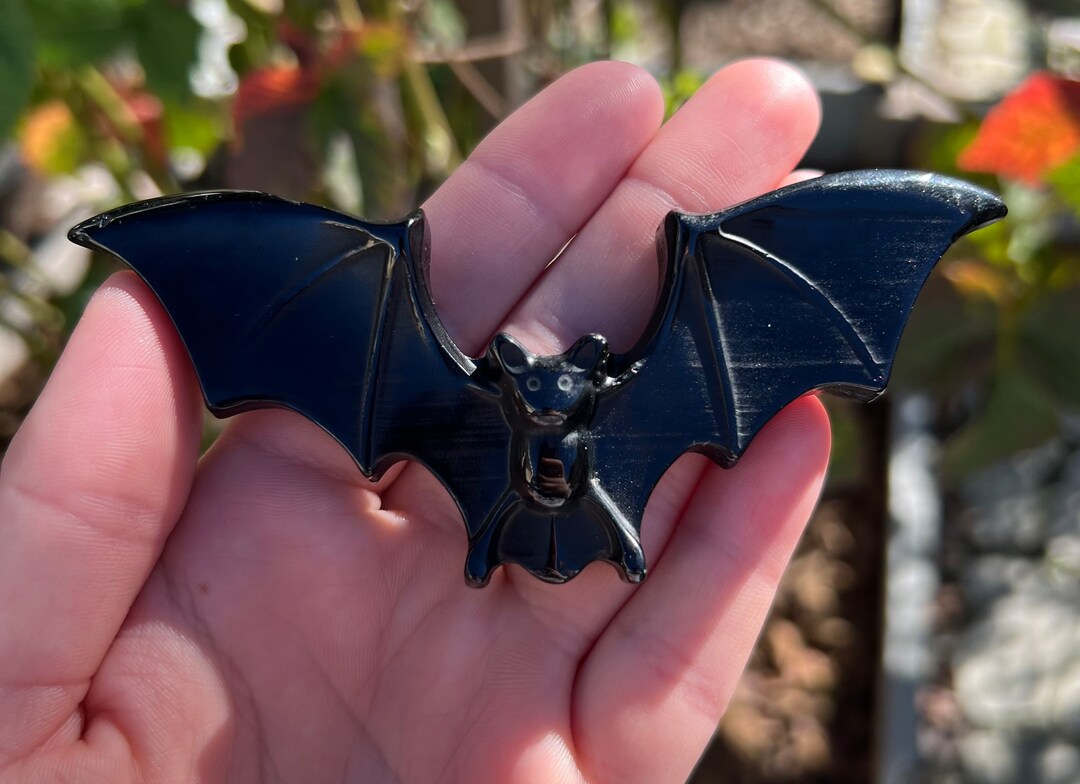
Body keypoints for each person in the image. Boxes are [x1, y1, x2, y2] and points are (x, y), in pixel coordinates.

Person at [0, 59, 829, 783]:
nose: (542, 402)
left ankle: (601, 539)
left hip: (598, 502)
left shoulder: (640, 391)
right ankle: (493, 543)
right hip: (495, 505)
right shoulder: (462, 395)